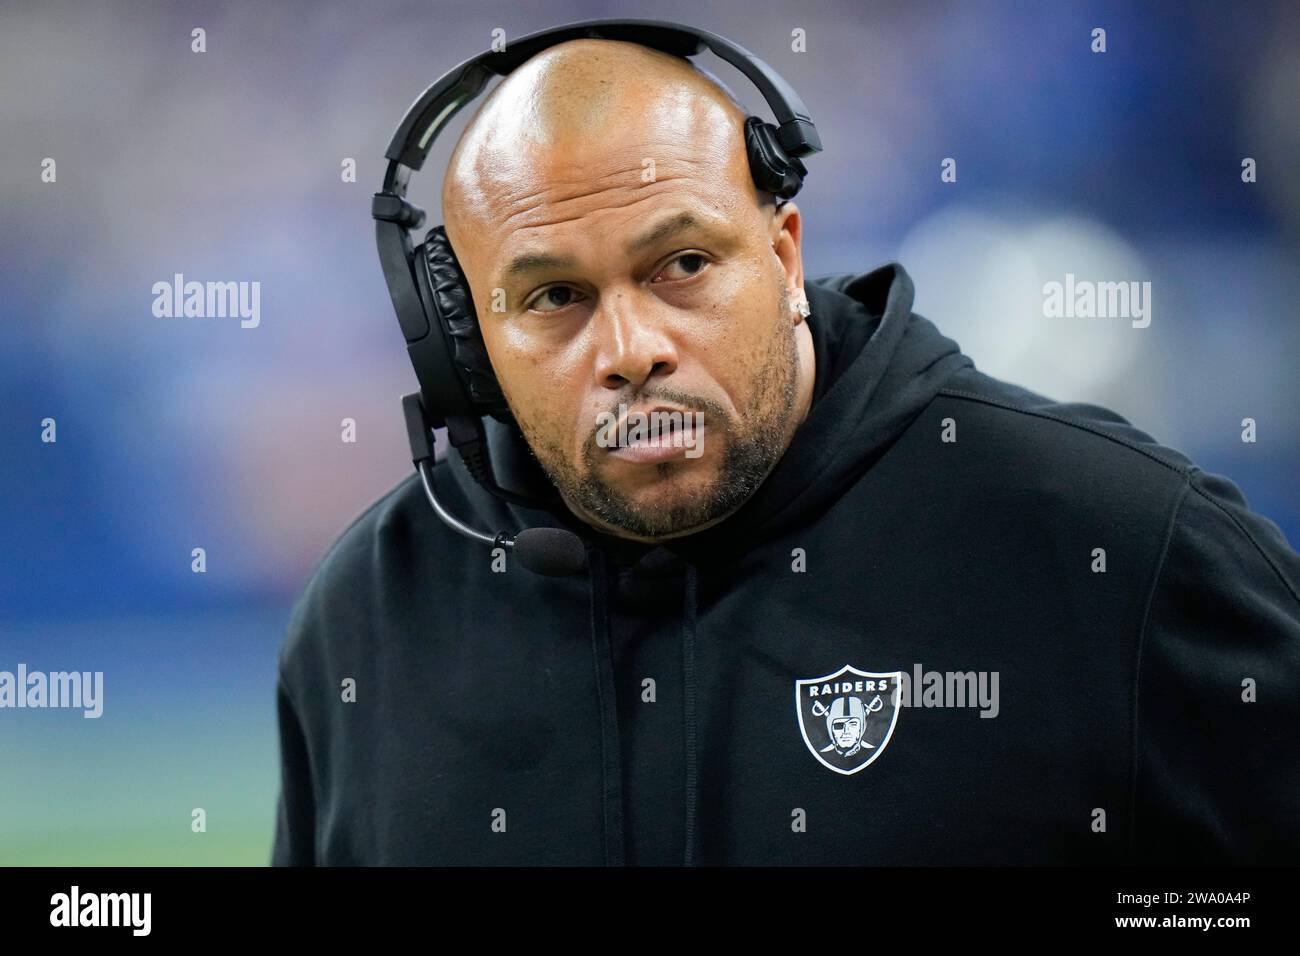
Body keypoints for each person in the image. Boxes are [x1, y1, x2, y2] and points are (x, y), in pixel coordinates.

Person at [272, 36, 1300, 866]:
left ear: (783, 253)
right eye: (554, 298)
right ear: (468, 345)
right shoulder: (367, 619)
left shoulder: (1120, 545)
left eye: (680, 264)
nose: (631, 350)